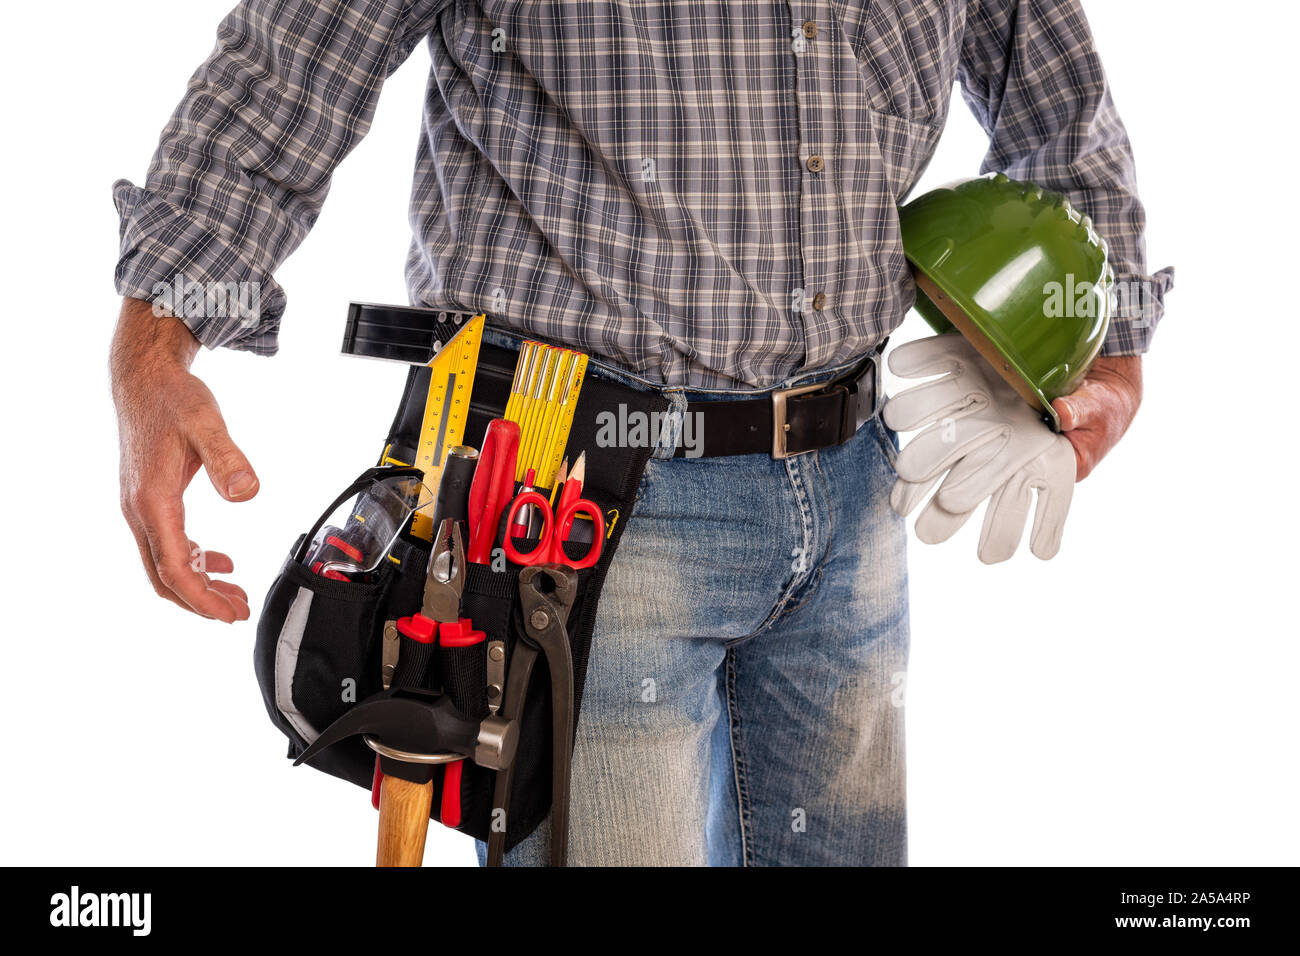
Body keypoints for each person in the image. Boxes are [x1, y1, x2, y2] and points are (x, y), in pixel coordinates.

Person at [111, 1, 1169, 865]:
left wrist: (1106, 357)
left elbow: (1056, 97)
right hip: (578, 494)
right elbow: (292, 62)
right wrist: (156, 350)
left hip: (858, 486)